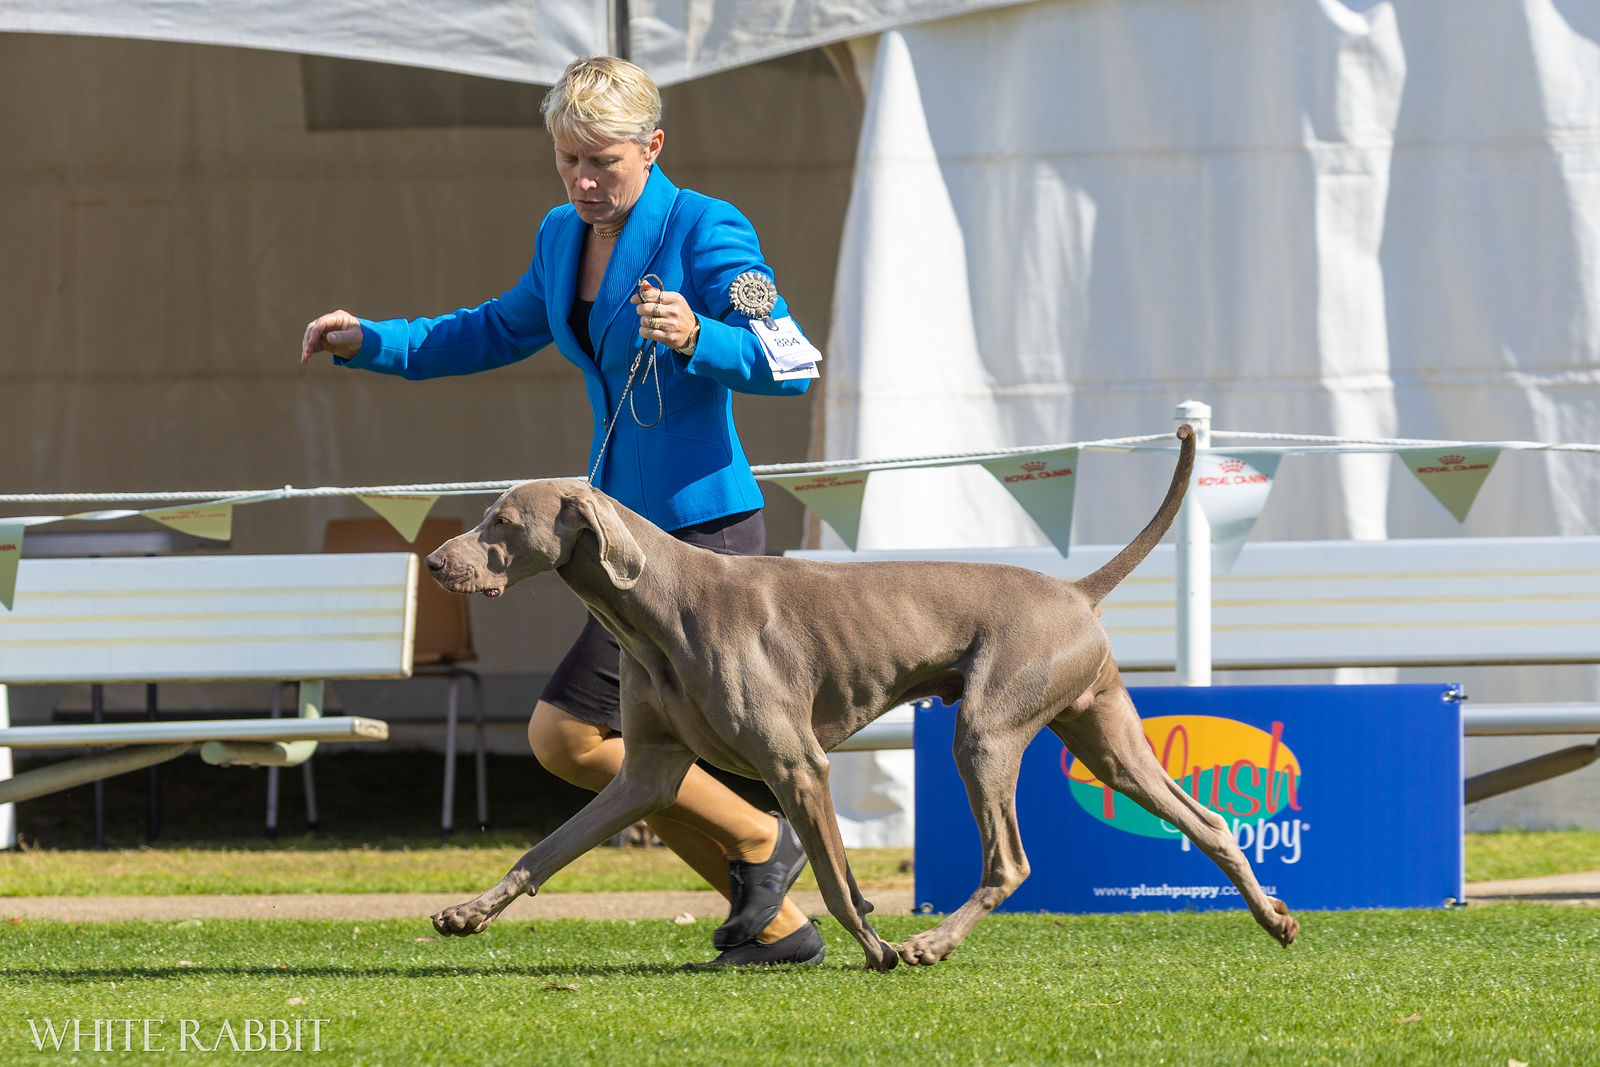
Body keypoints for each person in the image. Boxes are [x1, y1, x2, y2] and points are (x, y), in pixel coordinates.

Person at [299, 55, 821, 967]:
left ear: (652, 147)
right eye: (567, 161)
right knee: (615, 742)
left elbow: (791, 357)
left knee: (571, 734)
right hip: (618, 546)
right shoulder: (558, 235)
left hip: (703, 538)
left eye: (603, 161)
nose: (583, 180)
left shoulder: (705, 228)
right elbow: (493, 328)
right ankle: (776, 924)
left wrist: (702, 337)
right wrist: (372, 341)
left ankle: (763, 841)